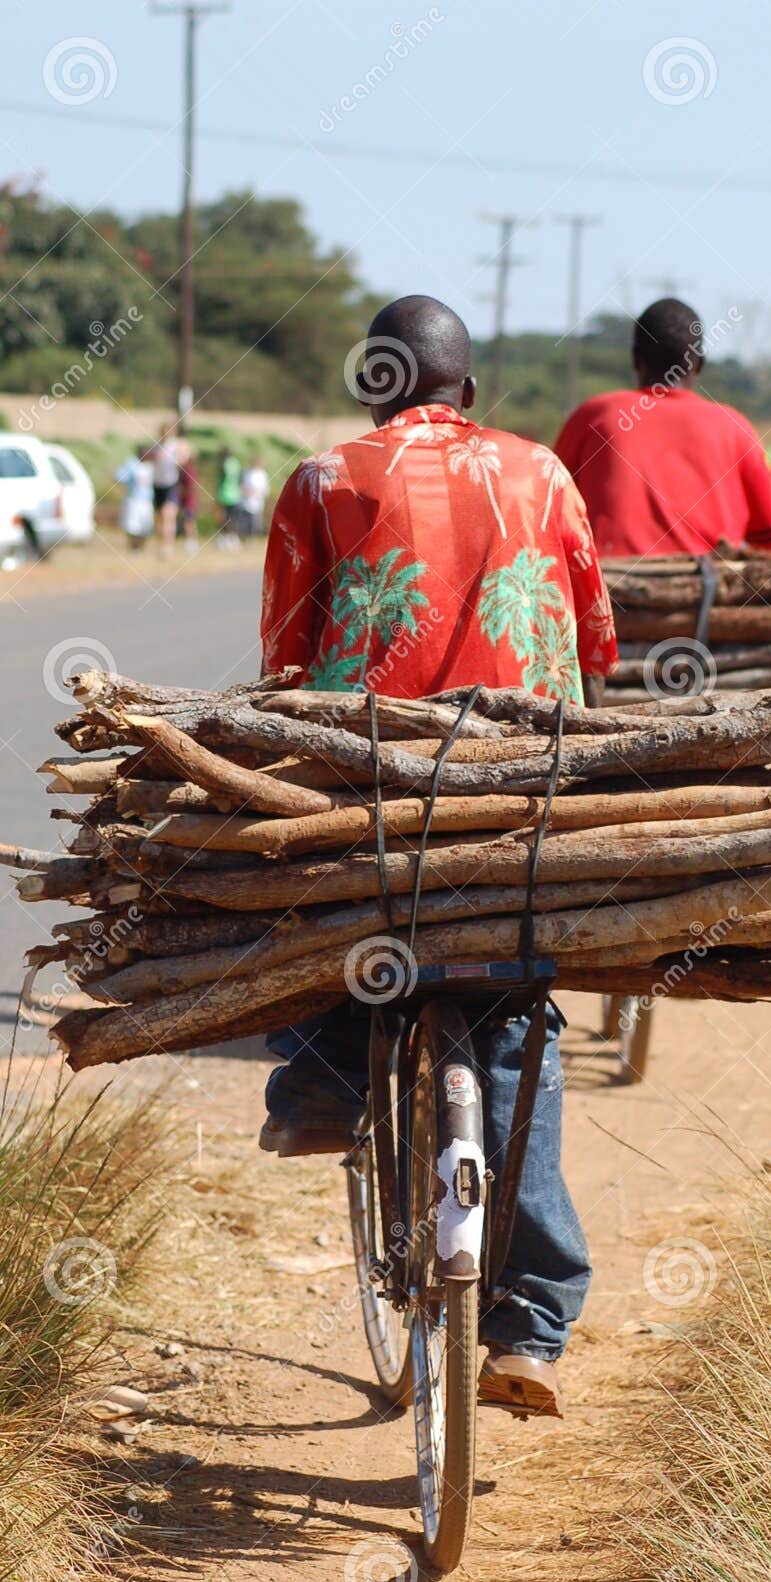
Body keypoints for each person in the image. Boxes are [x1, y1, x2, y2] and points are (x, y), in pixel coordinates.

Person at [260, 295, 618, 1418]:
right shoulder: (544, 475)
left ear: (375, 382)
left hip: (371, 803)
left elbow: (281, 666)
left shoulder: (324, 478)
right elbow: (595, 643)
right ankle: (528, 1326)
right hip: (515, 798)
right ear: (469, 389)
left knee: (309, 915)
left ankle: (317, 1084)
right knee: (517, 1024)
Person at [554, 296, 771, 556]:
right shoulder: (735, 428)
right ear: (699, 363)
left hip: (609, 588)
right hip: (711, 591)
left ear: (635, 359)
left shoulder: (593, 416)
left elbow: (548, 518)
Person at [150, 422, 181, 557]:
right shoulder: (157, 446)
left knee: (168, 516)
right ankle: (161, 545)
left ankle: (168, 547)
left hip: (171, 485)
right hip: (157, 485)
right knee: (159, 518)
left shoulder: (176, 446)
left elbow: (184, 458)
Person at [115, 445, 154, 550]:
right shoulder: (131, 463)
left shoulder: (150, 466)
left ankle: (141, 548)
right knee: (132, 526)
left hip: (147, 501)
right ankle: (133, 548)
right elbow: (120, 477)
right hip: (134, 499)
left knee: (145, 527)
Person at [215, 444, 243, 549]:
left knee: (223, 518)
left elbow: (222, 477)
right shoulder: (236, 462)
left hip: (224, 494)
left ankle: (224, 539)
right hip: (235, 494)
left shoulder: (224, 463)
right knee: (233, 518)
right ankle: (233, 539)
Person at [239, 455, 269, 537]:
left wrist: (257, 493)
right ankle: (244, 537)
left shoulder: (263, 474)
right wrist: (246, 492)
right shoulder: (246, 473)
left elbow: (265, 489)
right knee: (244, 522)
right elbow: (241, 486)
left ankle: (252, 537)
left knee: (255, 523)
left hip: (257, 502)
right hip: (245, 501)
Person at [177, 448, 200, 551]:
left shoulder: (190, 470)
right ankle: (191, 540)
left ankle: (191, 541)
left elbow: (190, 486)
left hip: (189, 500)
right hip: (187, 499)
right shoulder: (187, 469)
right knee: (189, 520)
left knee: (189, 521)